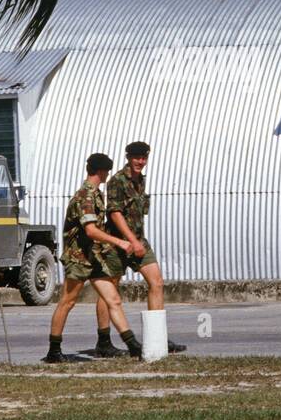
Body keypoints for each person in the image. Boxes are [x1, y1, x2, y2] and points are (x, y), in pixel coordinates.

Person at [44, 153, 142, 363]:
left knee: (113, 299)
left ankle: (133, 345)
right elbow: (91, 231)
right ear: (101, 171)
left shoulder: (96, 194)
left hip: (94, 256)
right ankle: (54, 350)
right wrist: (120, 242)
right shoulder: (86, 196)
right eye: (106, 171)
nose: (107, 175)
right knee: (67, 302)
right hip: (79, 258)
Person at [92, 140, 187, 357]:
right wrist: (131, 242)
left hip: (138, 240)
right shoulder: (117, 180)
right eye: (136, 157)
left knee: (157, 282)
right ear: (128, 157)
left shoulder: (140, 180)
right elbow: (114, 213)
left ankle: (157, 337)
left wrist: (137, 241)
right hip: (117, 242)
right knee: (110, 288)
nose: (140, 162)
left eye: (143, 158)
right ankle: (103, 342)